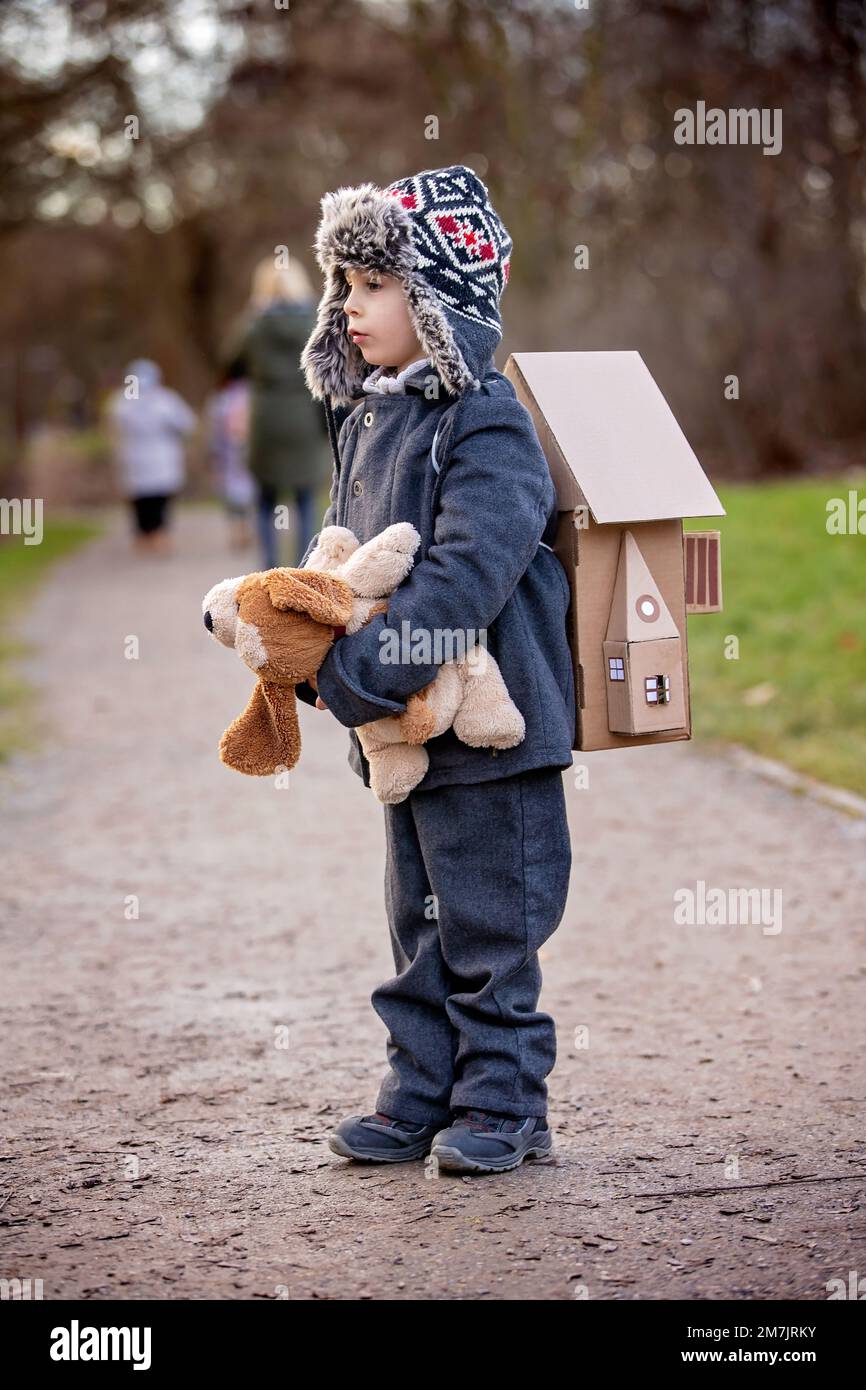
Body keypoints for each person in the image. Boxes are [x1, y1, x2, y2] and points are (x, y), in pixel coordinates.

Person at [295, 164, 576, 1175]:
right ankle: (419, 1090)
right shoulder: (372, 418)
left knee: (492, 926)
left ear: (438, 303)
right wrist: (307, 641)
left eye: (374, 284)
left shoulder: (484, 418)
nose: (350, 304)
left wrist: (365, 670)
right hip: (405, 735)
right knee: (416, 923)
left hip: (494, 732)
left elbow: (466, 574)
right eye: (344, 285)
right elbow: (350, 562)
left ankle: (504, 1103)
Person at [225, 256, 332, 570]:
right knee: (306, 500)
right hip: (305, 417)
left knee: (266, 500)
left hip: (266, 421)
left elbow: (230, 366)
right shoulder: (315, 323)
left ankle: (269, 570)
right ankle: (302, 569)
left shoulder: (253, 325)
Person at [108, 358, 196, 556]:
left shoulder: (123, 402)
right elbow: (186, 424)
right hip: (158, 456)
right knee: (156, 500)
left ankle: (148, 535)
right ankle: (157, 535)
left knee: (144, 500)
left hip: (141, 458)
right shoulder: (165, 400)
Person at [204, 366, 256, 550]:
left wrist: (213, 453)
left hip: (228, 454)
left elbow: (214, 433)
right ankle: (249, 528)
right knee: (252, 490)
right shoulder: (254, 396)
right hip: (252, 451)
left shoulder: (220, 401)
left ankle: (236, 530)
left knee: (231, 492)